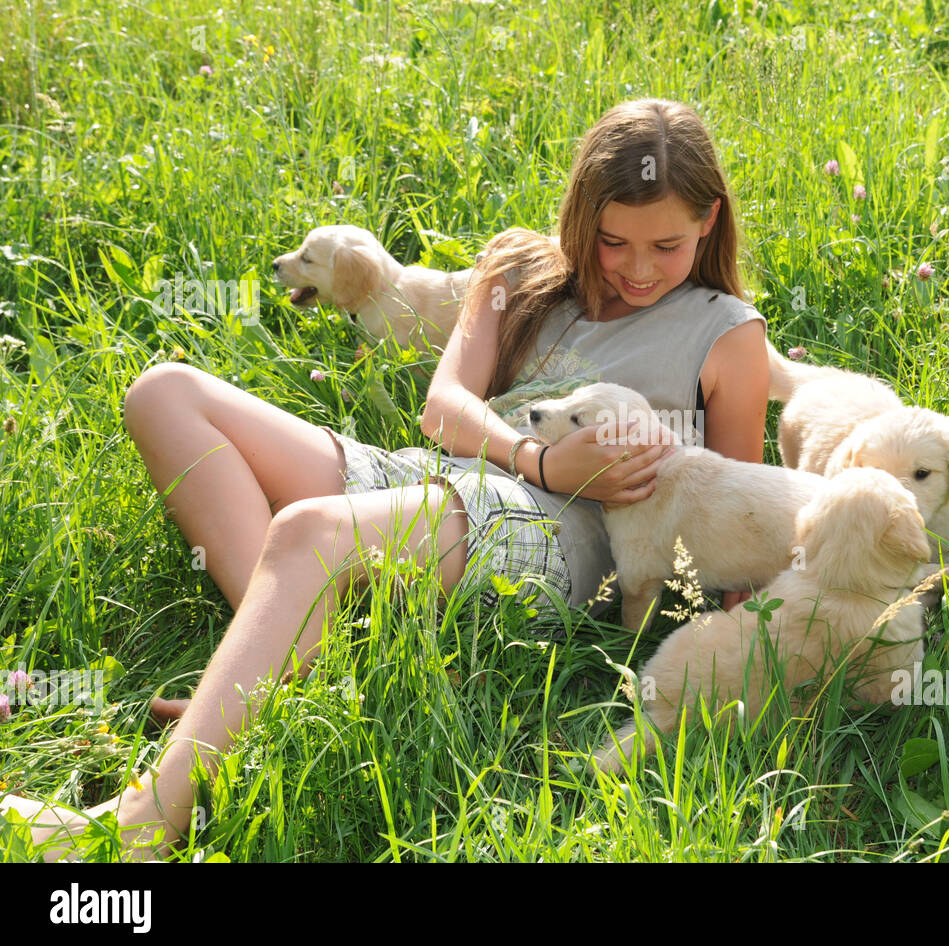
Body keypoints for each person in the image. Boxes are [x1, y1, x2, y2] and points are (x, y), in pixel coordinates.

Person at [1, 98, 770, 860]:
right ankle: (282, 665)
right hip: (458, 473)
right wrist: (534, 455)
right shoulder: (520, 270)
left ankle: (142, 826)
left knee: (307, 530)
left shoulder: (725, 332)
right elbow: (443, 408)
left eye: (665, 245)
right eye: (612, 241)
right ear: (581, 216)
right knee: (164, 393)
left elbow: (736, 508)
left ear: (709, 222)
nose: (638, 268)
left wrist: (742, 641)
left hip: (563, 535)